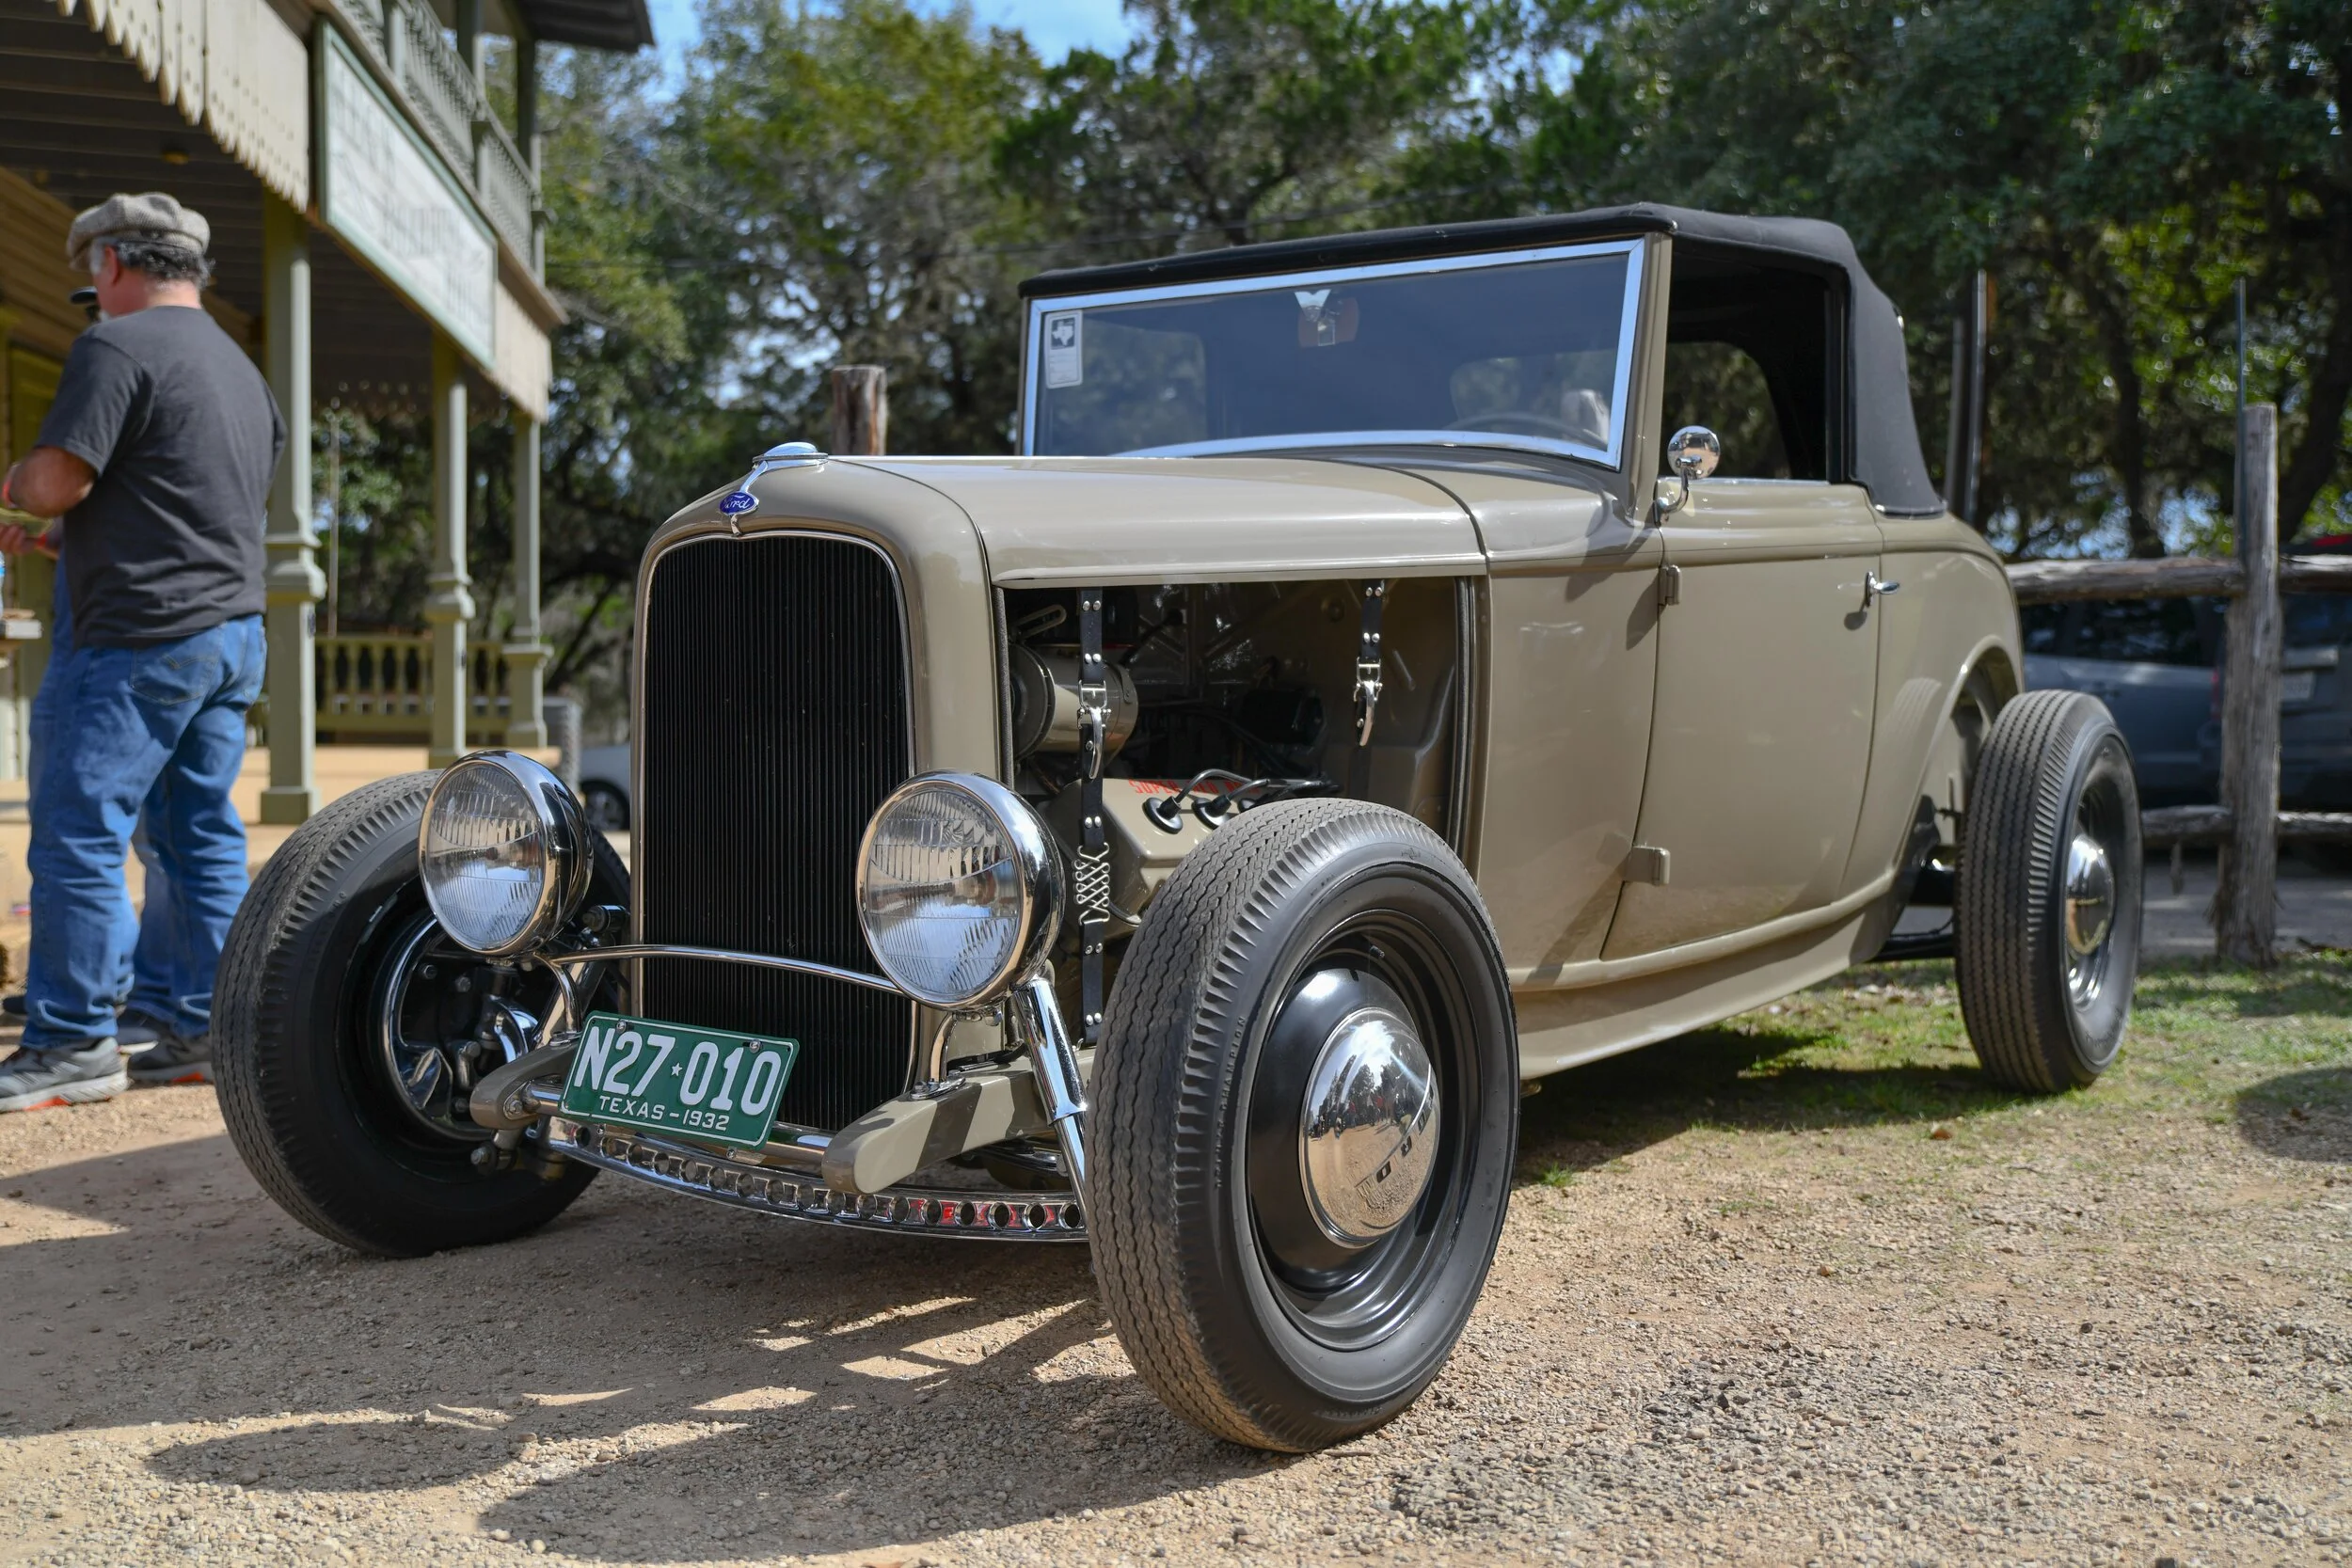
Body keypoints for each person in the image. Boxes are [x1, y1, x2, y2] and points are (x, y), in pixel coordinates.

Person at [0, 192, 280, 1113]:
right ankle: (208, 1024)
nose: (94, 290)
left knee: (79, 832)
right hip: (230, 633)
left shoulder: (114, 346)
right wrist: (61, 544)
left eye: (93, 274)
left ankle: (72, 1038)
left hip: (137, 637)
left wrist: (19, 486)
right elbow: (181, 502)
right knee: (196, 832)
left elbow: (57, 480)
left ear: (114, 262)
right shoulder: (243, 372)